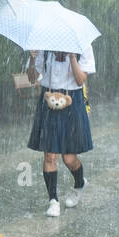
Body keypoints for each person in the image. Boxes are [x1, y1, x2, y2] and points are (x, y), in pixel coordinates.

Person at [25, 46, 93, 216]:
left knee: (69, 159)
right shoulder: (44, 45)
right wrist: (33, 59)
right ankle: (53, 200)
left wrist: (72, 58)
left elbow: (80, 80)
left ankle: (79, 184)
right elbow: (32, 78)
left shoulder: (82, 45)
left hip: (72, 101)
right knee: (50, 156)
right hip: (48, 100)